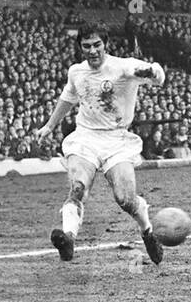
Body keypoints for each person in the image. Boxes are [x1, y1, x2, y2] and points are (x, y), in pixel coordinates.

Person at [34, 23, 167, 264]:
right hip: (85, 138)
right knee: (77, 187)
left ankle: (147, 231)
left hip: (117, 139)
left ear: (105, 45)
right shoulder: (76, 72)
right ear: (80, 48)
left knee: (125, 199)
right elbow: (68, 97)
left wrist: (155, 71)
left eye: (97, 45)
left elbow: (156, 75)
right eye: (87, 46)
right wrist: (49, 126)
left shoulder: (122, 67)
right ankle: (68, 238)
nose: (93, 51)